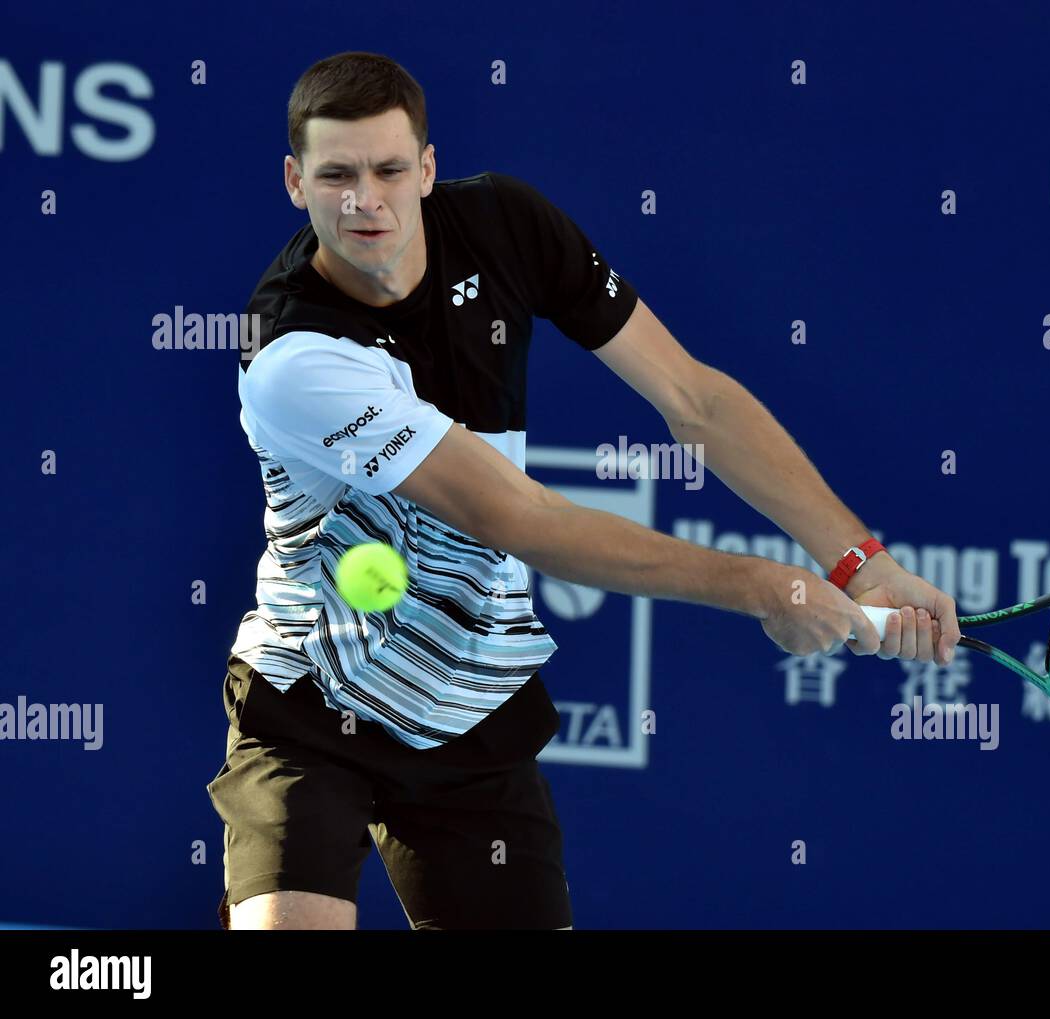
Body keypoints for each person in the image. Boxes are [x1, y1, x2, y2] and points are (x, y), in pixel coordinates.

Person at [206, 50, 960, 931]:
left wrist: (857, 559)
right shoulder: (296, 355)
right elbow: (516, 517)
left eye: (388, 170)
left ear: (429, 168)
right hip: (312, 693)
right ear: (296, 181)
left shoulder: (505, 225)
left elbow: (696, 399)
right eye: (336, 174)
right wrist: (765, 584)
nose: (364, 200)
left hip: (470, 702)